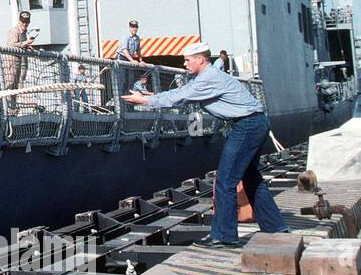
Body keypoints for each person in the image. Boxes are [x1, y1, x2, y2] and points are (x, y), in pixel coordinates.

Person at [123, 41, 289, 248]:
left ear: (200, 60)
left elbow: (181, 96)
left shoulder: (209, 78)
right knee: (249, 176)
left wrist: (146, 102)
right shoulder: (206, 77)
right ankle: (275, 225)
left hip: (246, 125)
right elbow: (184, 95)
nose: (184, 64)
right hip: (253, 123)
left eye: (187, 60)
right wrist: (152, 96)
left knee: (226, 180)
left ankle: (225, 236)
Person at [2, 11, 36, 106]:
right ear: (19, 21)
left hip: (18, 62)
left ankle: (12, 109)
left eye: (26, 22)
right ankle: (7, 110)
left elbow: (20, 45)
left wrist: (26, 46)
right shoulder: (15, 31)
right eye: (23, 21)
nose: (25, 24)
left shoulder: (24, 33)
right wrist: (25, 43)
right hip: (11, 62)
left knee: (15, 88)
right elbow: (11, 45)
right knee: (9, 85)